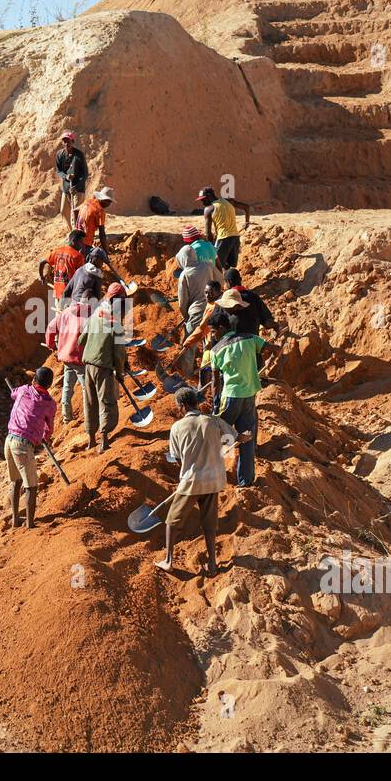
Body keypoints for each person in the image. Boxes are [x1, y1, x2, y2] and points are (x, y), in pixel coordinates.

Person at [158, 386, 249, 575]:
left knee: (171, 522)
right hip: (214, 479)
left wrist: (189, 464)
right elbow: (232, 439)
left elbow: (177, 458)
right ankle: (213, 564)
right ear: (196, 403)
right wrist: (245, 437)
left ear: (182, 406)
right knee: (209, 523)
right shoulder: (214, 421)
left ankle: (168, 560)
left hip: (192, 481)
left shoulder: (177, 427)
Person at [202, 308, 269, 487]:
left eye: (214, 332)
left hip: (231, 397)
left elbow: (215, 382)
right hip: (249, 395)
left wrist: (215, 405)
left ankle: (212, 476)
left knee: (220, 435)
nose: (212, 336)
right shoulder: (249, 338)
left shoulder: (216, 350)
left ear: (222, 328)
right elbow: (270, 348)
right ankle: (246, 480)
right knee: (247, 437)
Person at [4, 366, 58, 529]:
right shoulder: (49, 403)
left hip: (9, 440)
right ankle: (30, 524)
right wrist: (45, 439)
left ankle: (15, 519)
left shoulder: (24, 390)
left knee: (15, 482)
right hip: (23, 445)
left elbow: (13, 394)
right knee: (31, 487)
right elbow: (49, 427)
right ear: (49, 385)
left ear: (34, 380)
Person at [78, 283, 128, 452]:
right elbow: (119, 355)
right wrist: (120, 373)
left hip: (88, 366)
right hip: (103, 368)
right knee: (106, 401)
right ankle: (104, 441)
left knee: (90, 402)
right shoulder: (116, 324)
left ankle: (91, 439)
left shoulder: (95, 315)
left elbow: (81, 340)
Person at [173, 244, 222, 375]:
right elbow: (221, 281)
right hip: (214, 309)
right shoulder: (207, 266)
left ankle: (187, 375)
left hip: (196, 312)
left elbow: (183, 301)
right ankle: (215, 372)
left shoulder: (184, 274)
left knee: (189, 345)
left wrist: (186, 316)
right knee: (214, 341)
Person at [44, 294, 90, 424]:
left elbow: (50, 329)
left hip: (65, 356)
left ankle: (67, 417)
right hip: (79, 358)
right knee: (86, 388)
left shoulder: (64, 313)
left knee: (67, 386)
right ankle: (89, 418)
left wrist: (51, 345)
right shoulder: (88, 315)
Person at [199, 187, 251, 271]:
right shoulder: (228, 201)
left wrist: (211, 248)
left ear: (209, 196)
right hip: (235, 238)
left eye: (203, 199)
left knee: (216, 268)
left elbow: (208, 234)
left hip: (223, 240)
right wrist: (246, 222)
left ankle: (220, 284)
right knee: (230, 268)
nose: (202, 202)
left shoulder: (209, 209)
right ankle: (232, 283)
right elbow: (247, 207)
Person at [38, 229, 87, 310]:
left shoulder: (57, 251)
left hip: (58, 293)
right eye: (80, 242)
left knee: (59, 318)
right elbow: (81, 279)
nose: (82, 245)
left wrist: (41, 277)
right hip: (70, 296)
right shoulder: (78, 257)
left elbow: (41, 263)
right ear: (73, 240)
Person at [221, 268, 276, 337]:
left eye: (225, 282)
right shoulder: (253, 296)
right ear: (240, 279)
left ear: (228, 282)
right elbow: (267, 321)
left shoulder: (226, 300)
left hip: (233, 342)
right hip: (253, 340)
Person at [56, 131, 88, 226]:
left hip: (78, 189)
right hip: (66, 188)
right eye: (64, 141)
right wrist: (65, 176)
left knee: (77, 212)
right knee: (63, 211)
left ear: (73, 141)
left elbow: (85, 173)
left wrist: (77, 186)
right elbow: (59, 171)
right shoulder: (59, 155)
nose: (66, 143)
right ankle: (71, 233)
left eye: (68, 141)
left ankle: (79, 232)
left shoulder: (79, 155)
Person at [76, 187, 114, 252]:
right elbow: (102, 233)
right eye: (109, 202)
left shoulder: (88, 201)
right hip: (85, 242)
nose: (109, 204)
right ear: (103, 200)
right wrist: (106, 251)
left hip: (76, 238)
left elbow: (75, 211)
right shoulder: (100, 211)